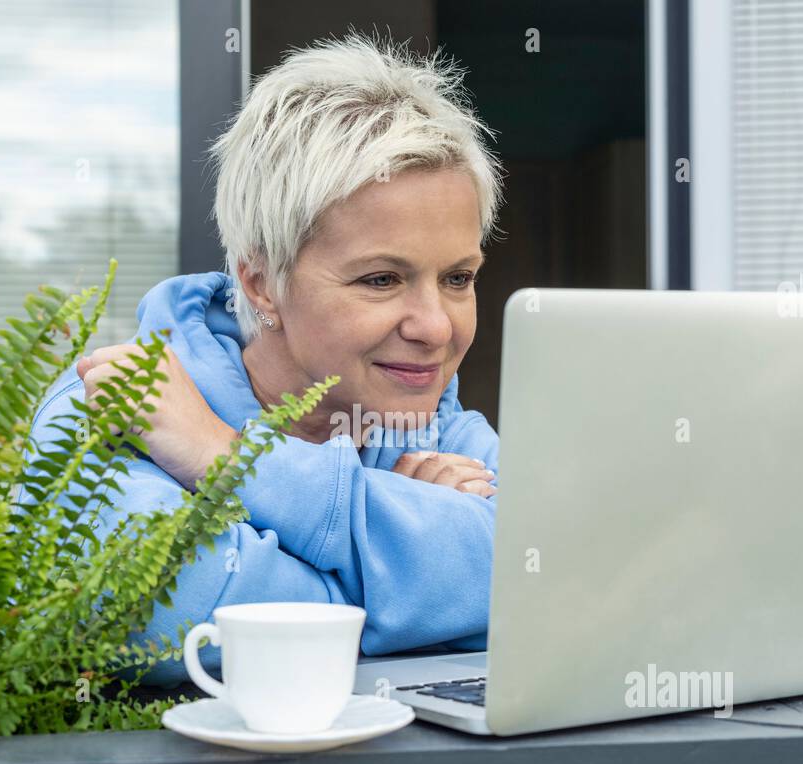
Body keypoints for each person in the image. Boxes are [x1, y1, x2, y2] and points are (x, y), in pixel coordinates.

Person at [28, 30, 506, 686]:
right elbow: (164, 613)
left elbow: (540, 575)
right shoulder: (111, 397)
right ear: (261, 284)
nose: (434, 327)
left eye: (457, 278)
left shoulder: (440, 425)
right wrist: (417, 566)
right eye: (381, 280)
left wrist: (224, 457)